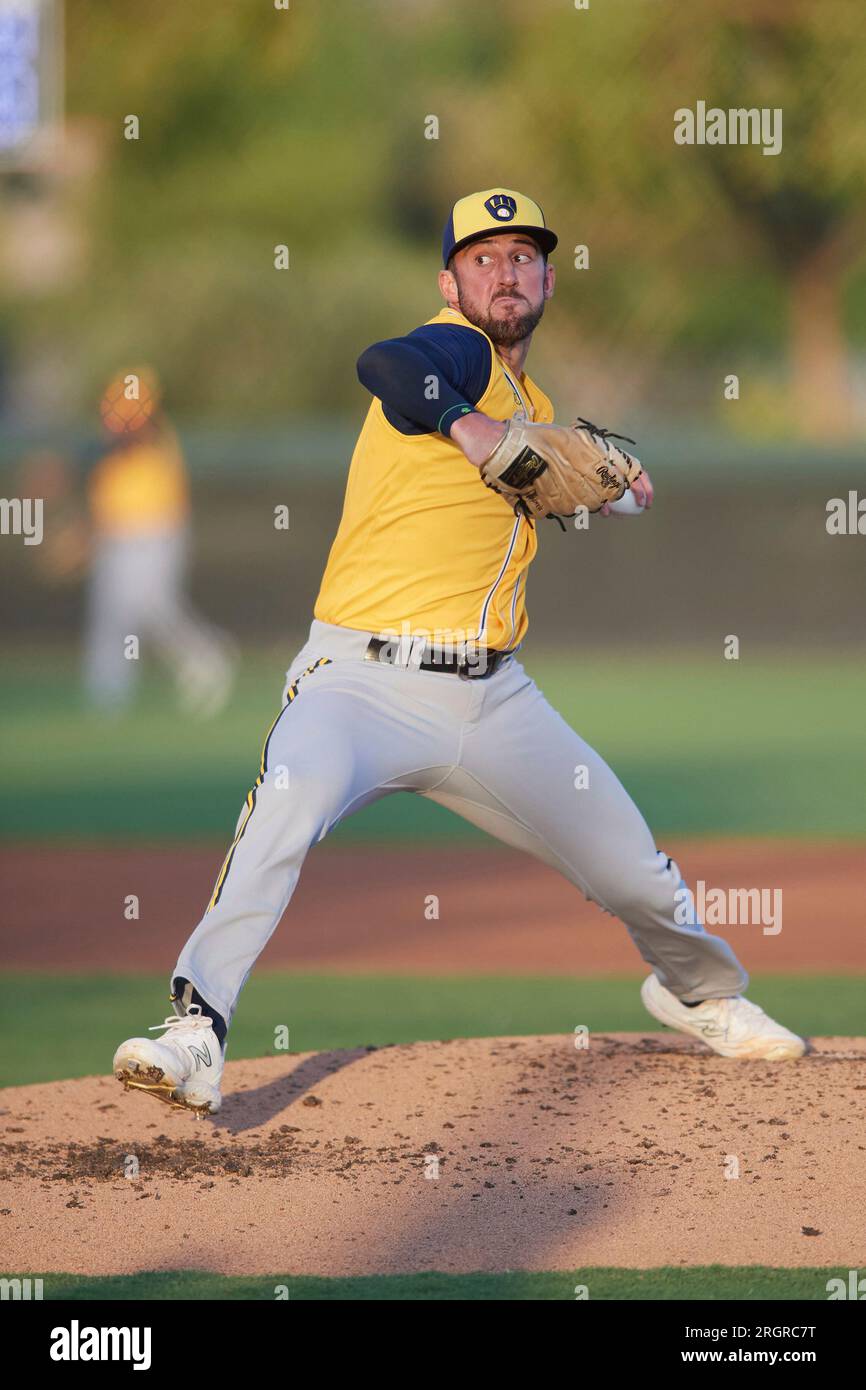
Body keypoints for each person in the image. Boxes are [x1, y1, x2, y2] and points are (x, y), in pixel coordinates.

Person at [113, 188, 804, 1116]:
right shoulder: (454, 351)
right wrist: (470, 427)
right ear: (451, 282)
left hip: (491, 700)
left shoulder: (539, 404)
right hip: (357, 680)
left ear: (550, 278)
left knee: (634, 871)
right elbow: (384, 363)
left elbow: (570, 483)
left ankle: (699, 994)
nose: (506, 272)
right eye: (484, 257)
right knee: (289, 798)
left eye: (523, 256)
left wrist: (603, 486)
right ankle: (196, 1030)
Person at [82, 365, 236, 715]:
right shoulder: (107, 449)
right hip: (115, 535)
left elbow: (127, 435)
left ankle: (207, 660)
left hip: (154, 533)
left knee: (155, 607)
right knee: (111, 615)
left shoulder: (148, 436)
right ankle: (107, 699)